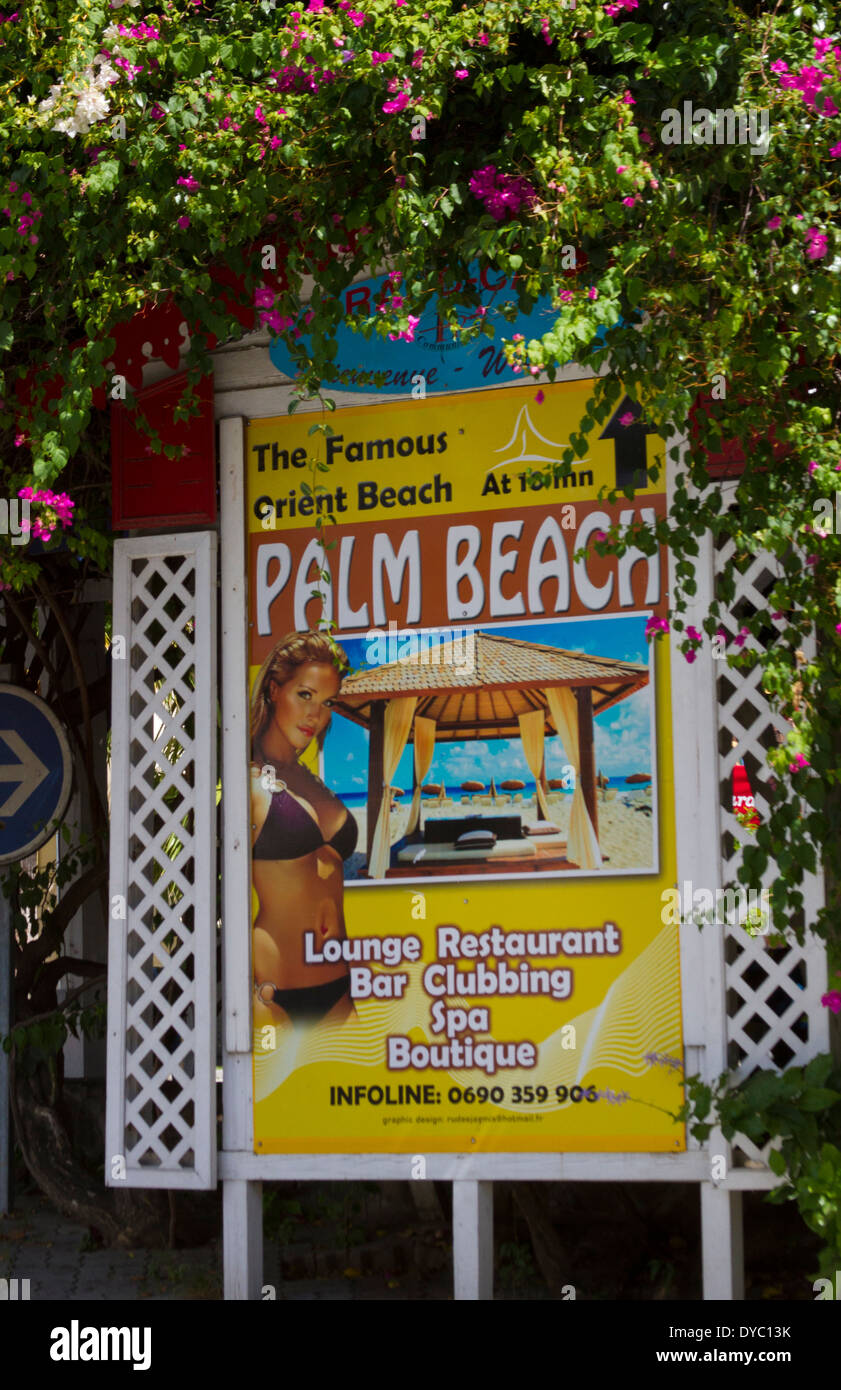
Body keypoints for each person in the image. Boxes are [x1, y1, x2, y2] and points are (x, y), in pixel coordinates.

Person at [250, 630, 358, 1030]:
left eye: (327, 702)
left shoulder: (309, 779)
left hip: (338, 987)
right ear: (275, 690)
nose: (317, 715)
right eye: (305, 695)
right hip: (276, 992)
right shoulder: (250, 783)